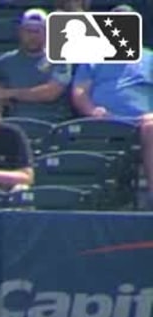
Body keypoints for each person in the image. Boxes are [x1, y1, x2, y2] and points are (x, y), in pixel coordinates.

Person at [68, 8, 152, 210]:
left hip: (145, 121)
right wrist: (91, 110)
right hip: (104, 119)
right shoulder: (93, 59)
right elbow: (79, 91)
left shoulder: (149, 58)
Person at [0, 9, 73, 121]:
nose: (33, 36)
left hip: (51, 121)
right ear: (20, 32)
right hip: (16, 121)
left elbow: (51, 93)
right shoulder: (9, 59)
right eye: (28, 31)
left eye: (37, 31)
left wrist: (9, 93)